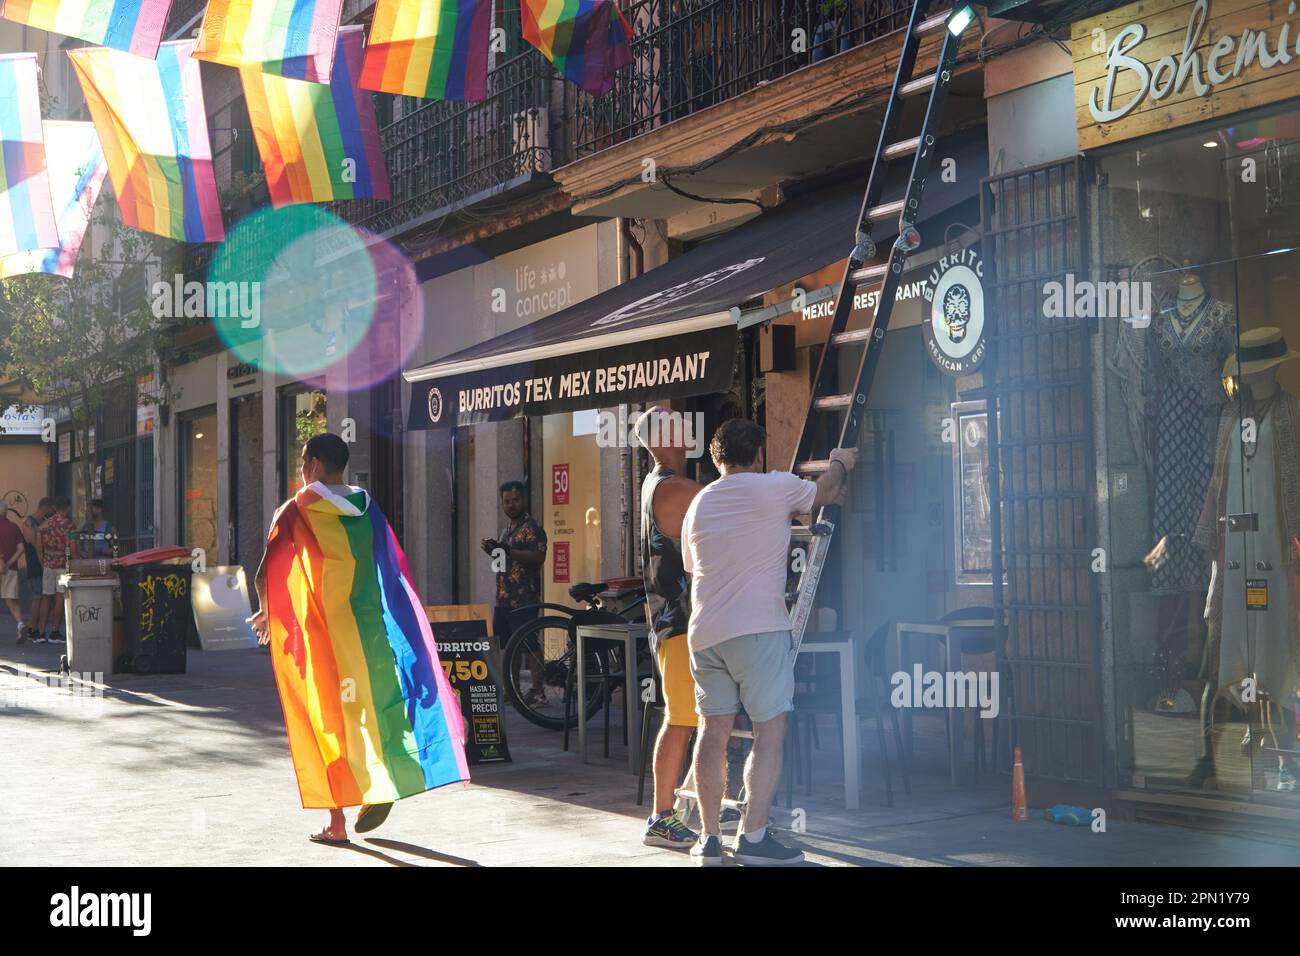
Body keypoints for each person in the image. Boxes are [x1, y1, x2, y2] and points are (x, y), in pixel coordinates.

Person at [247, 433, 468, 846]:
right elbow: (391, 572)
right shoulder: (368, 508)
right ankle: (381, 786)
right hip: (369, 634)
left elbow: (265, 572)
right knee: (377, 710)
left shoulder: (296, 509)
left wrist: (266, 611)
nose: (300, 469)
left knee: (328, 721)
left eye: (301, 460)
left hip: (324, 637)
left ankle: (336, 822)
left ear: (312, 463)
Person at [681, 419, 856, 866]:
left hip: (705, 632)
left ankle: (709, 840)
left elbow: (690, 566)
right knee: (769, 731)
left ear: (716, 458)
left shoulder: (698, 503)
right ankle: (754, 837)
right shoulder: (774, 487)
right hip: (758, 628)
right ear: (758, 455)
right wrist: (839, 462)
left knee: (712, 732)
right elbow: (824, 490)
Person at [635, 407, 704, 849]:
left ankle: (690, 805)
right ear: (664, 437)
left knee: (699, 717)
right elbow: (724, 502)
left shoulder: (655, 481)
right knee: (680, 719)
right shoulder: (673, 487)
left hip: (672, 621)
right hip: (677, 622)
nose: (686, 426)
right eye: (678, 422)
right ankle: (661, 817)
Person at [481, 481, 547, 704]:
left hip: (524, 598)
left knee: (529, 643)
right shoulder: (507, 530)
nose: (511, 505)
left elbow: (538, 557)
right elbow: (503, 562)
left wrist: (509, 550)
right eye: (507, 501)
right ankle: (513, 689)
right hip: (503, 598)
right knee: (508, 646)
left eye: (515, 500)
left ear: (524, 500)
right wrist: (494, 550)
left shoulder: (532, 527)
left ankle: (538, 692)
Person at [35, 496, 74, 645]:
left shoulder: (45, 525)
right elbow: (72, 547)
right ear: (67, 508)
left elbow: (39, 547)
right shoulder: (69, 525)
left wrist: (44, 561)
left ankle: (41, 632)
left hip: (48, 564)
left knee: (46, 597)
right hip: (63, 564)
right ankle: (55, 632)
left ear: (55, 508)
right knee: (59, 598)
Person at [18, 498, 51, 644]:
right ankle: (32, 629)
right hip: (35, 565)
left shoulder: (42, 522)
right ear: (46, 508)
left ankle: (36, 628)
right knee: (37, 597)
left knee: (43, 597)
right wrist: (44, 564)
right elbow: (35, 544)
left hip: (44, 564)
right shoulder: (29, 522)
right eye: (51, 510)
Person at [0, 503, 26, 641]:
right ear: (6, 512)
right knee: (11, 599)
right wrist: (9, 563)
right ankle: (20, 624)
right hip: (11, 569)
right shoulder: (14, 527)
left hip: (2, 566)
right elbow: (21, 549)